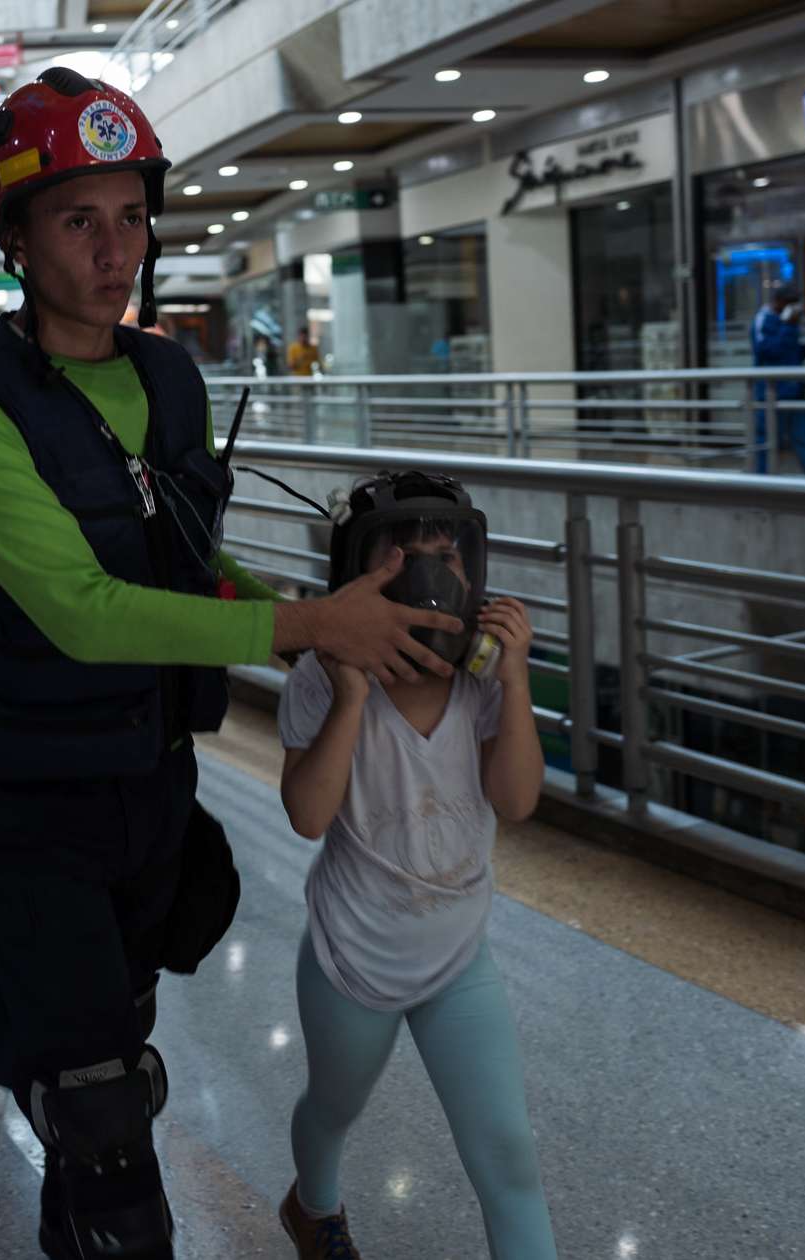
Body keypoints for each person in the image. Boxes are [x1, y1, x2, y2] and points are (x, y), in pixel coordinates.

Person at [0, 68, 465, 1260]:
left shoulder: (164, 375)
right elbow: (86, 613)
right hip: (21, 791)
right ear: (12, 236)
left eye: (132, 216)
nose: (116, 250)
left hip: (147, 780)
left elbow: (187, 564)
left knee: (104, 1075)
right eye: (77, 219)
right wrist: (304, 631)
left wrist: (334, 616)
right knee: (99, 1113)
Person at [276, 472, 555, 1260]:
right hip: (351, 958)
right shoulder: (321, 680)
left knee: (507, 1155)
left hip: (458, 954)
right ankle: (314, 1204)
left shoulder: (481, 686)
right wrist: (352, 694)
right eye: (410, 557)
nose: (436, 575)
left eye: (449, 555)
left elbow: (518, 799)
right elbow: (307, 816)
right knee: (333, 1108)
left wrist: (515, 678)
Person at [751, 283, 805, 476]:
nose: (794, 307)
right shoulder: (765, 319)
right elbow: (766, 351)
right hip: (772, 393)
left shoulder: (787, 321)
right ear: (779, 302)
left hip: (795, 390)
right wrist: (788, 325)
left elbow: (788, 354)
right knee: (766, 443)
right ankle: (761, 486)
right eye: (790, 303)